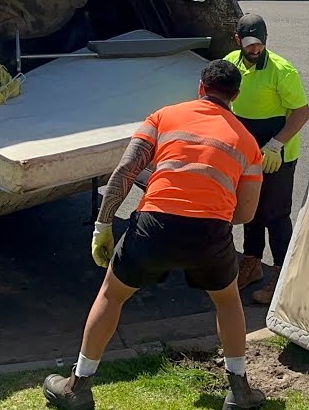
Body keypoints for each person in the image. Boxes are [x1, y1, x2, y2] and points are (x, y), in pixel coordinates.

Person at [42, 60, 268, 410]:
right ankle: (239, 392)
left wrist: (103, 226)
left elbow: (124, 173)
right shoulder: (247, 142)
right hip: (210, 232)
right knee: (226, 301)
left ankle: (77, 387)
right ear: (235, 96)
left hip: (154, 224)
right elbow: (245, 214)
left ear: (200, 87)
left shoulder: (163, 117)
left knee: (112, 295)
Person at [227, 13, 309, 305]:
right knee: (250, 211)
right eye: (249, 44)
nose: (254, 50)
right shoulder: (231, 63)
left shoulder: (282, 71)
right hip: (248, 154)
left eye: (259, 44)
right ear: (238, 41)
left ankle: (281, 275)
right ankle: (251, 264)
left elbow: (302, 113)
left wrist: (275, 145)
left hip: (278, 154)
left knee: (275, 215)